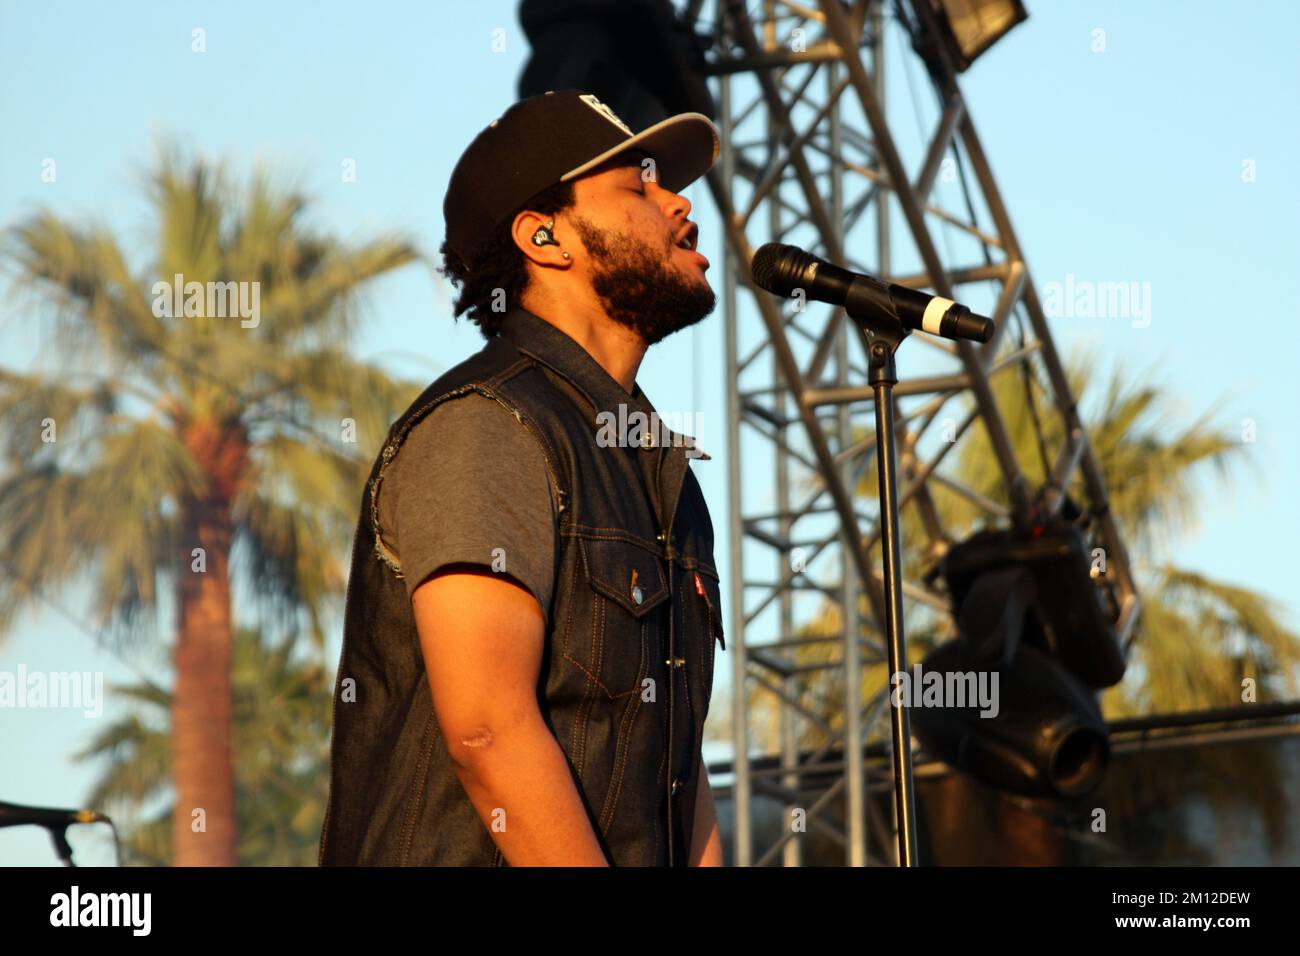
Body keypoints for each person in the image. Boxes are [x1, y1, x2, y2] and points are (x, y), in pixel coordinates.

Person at [319, 90, 726, 866]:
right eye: (638, 186)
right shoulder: (487, 425)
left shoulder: (660, 468)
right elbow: (487, 730)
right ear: (545, 236)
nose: (681, 205)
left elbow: (680, 762)